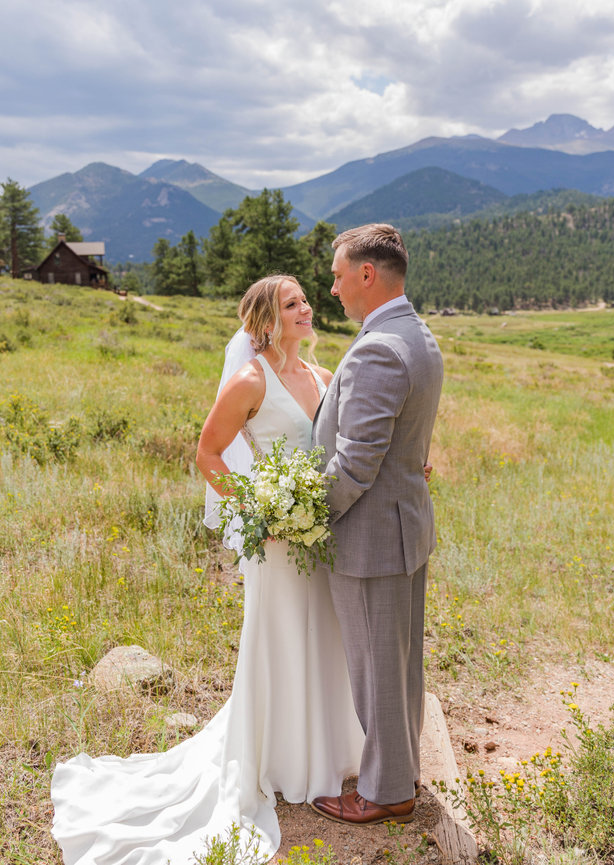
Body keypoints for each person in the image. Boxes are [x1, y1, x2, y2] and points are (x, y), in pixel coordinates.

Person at [50, 274, 363, 865]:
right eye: (292, 303)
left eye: (305, 300)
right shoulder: (250, 380)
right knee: (278, 639)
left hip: (320, 539)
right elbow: (207, 452)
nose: (306, 308)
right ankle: (279, 757)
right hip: (275, 540)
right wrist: (257, 505)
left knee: (326, 636)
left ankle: (328, 752)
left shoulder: (325, 378)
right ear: (266, 320)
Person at [309, 224, 444, 826]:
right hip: (403, 524)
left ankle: (388, 792)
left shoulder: (377, 348)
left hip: (368, 535)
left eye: (338, 275)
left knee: (376, 669)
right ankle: (400, 768)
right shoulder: (416, 334)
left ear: (367, 274)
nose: (332, 288)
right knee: (399, 663)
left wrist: (309, 519)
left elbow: (356, 463)